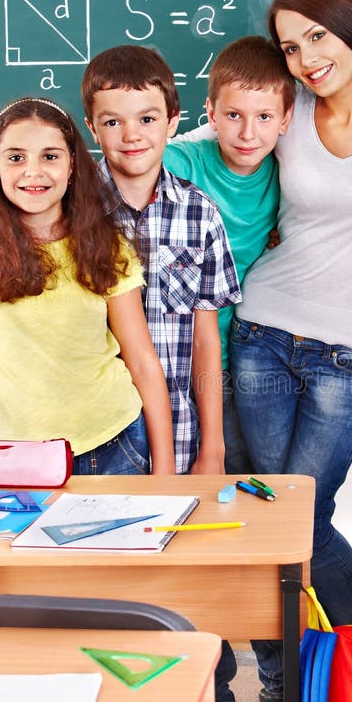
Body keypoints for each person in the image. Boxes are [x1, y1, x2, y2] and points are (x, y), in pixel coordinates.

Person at [228, 0, 352, 637]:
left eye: (316, 36)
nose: (306, 60)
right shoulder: (287, 112)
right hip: (260, 333)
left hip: (350, 353)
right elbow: (200, 146)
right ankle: (295, 670)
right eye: (288, 48)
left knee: (302, 514)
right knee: (269, 509)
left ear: (349, 26)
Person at [165, 36, 295, 702]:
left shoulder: (292, 166)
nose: (246, 134)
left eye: (262, 117)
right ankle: (212, 688)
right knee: (196, 520)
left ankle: (277, 671)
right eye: (232, 116)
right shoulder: (182, 157)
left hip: (251, 357)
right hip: (176, 358)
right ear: (208, 113)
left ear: (284, 118)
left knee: (254, 514)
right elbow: (79, 184)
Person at [0, 96, 175, 476]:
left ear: (72, 166)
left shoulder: (105, 245)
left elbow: (143, 362)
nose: (34, 172)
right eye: (16, 157)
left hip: (115, 444)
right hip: (18, 457)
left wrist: (165, 469)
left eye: (50, 156)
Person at [80, 45, 241, 477]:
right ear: (92, 129)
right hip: (93, 437)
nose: (132, 135)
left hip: (179, 435)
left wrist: (214, 447)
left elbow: (206, 340)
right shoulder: (70, 211)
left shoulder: (199, 212)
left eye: (147, 119)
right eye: (113, 122)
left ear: (172, 121)